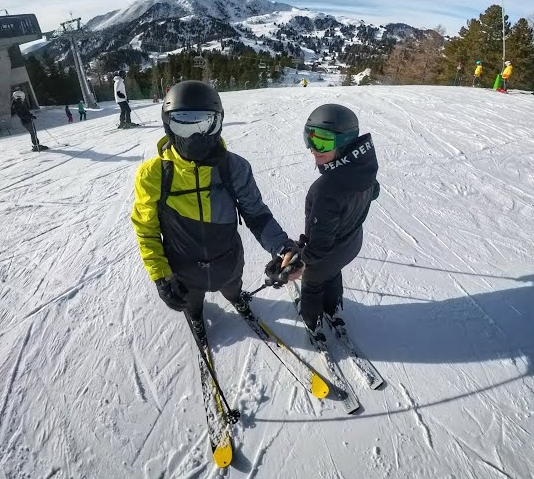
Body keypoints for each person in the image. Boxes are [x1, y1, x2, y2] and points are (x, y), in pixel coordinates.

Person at [131, 80, 299, 332]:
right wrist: (161, 276)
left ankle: (235, 298)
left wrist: (282, 247)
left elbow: (257, 214)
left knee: (232, 287)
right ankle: (196, 315)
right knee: (191, 302)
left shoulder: (234, 168)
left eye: (206, 123)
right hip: (183, 269)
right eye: (183, 124)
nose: (196, 136)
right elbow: (147, 230)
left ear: (219, 123)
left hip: (228, 261)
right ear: (168, 126)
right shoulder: (154, 174)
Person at [274, 104, 380, 339]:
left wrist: (300, 262)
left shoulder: (325, 190)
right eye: (309, 138)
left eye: (323, 142)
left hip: (328, 254)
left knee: (313, 284)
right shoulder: (365, 168)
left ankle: (313, 321)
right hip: (351, 244)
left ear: (344, 142)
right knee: (333, 272)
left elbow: (319, 246)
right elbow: (374, 192)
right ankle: (332, 308)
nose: (313, 149)